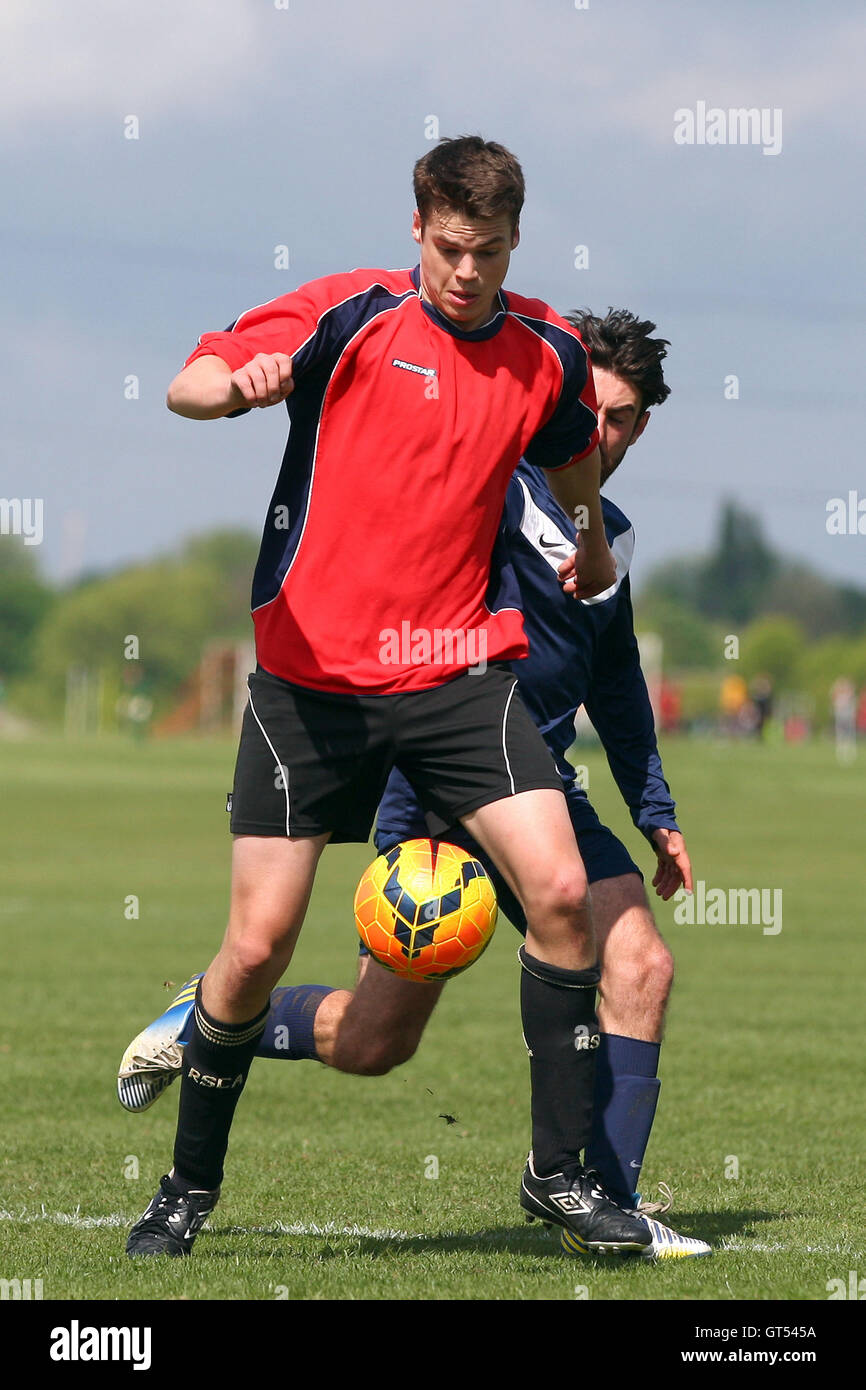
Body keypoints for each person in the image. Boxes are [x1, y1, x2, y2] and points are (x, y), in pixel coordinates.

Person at [123, 137, 651, 1259]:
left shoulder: (543, 348)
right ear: (417, 227)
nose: (468, 271)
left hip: (460, 673)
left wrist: (593, 542)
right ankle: (185, 1188)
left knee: (562, 895)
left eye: (490, 251)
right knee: (258, 945)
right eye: (452, 248)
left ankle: (558, 1177)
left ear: (515, 237)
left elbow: (568, 459)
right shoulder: (347, 313)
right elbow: (190, 381)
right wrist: (235, 389)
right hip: (310, 682)